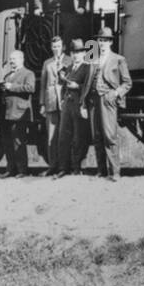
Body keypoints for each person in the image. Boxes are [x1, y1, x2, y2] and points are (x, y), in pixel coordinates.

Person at [87, 26, 132, 182]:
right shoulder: (93, 58)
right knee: (97, 136)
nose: (102, 43)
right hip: (93, 100)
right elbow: (87, 81)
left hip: (108, 100)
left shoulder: (119, 59)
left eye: (106, 40)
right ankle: (101, 171)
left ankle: (115, 172)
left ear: (110, 42)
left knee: (109, 136)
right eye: (100, 40)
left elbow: (127, 83)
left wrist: (115, 93)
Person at [0, 50, 36, 177]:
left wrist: (11, 87)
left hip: (20, 113)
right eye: (10, 59)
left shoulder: (28, 73)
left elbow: (30, 88)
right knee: (7, 141)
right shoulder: (7, 75)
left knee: (18, 141)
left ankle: (22, 170)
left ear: (22, 59)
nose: (11, 61)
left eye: (14, 59)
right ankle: (10, 169)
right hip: (7, 113)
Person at [56, 39, 91, 176]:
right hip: (68, 105)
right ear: (71, 54)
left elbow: (89, 87)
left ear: (84, 53)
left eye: (80, 52)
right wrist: (63, 99)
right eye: (74, 52)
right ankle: (64, 168)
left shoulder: (87, 68)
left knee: (78, 136)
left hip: (79, 104)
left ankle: (77, 167)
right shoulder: (69, 68)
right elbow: (64, 85)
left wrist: (78, 87)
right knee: (63, 136)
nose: (77, 55)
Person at [39, 35, 68, 176]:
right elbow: (43, 84)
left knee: (65, 136)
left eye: (59, 46)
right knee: (51, 136)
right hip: (50, 102)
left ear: (63, 47)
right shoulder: (47, 63)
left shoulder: (70, 60)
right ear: (51, 48)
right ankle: (52, 166)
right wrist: (42, 104)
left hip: (66, 102)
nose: (56, 49)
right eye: (54, 47)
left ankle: (65, 167)